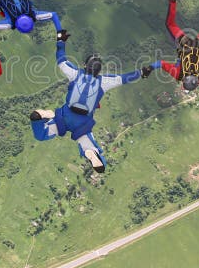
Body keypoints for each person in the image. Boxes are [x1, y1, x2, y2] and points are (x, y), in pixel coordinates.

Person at [29, 29, 145, 173]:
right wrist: (141, 72)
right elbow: (126, 78)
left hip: (64, 116)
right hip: (81, 124)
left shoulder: (76, 74)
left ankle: (45, 114)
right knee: (89, 148)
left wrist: (60, 41)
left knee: (41, 134)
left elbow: (61, 60)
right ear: (99, 70)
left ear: (85, 65)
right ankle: (91, 154)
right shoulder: (104, 82)